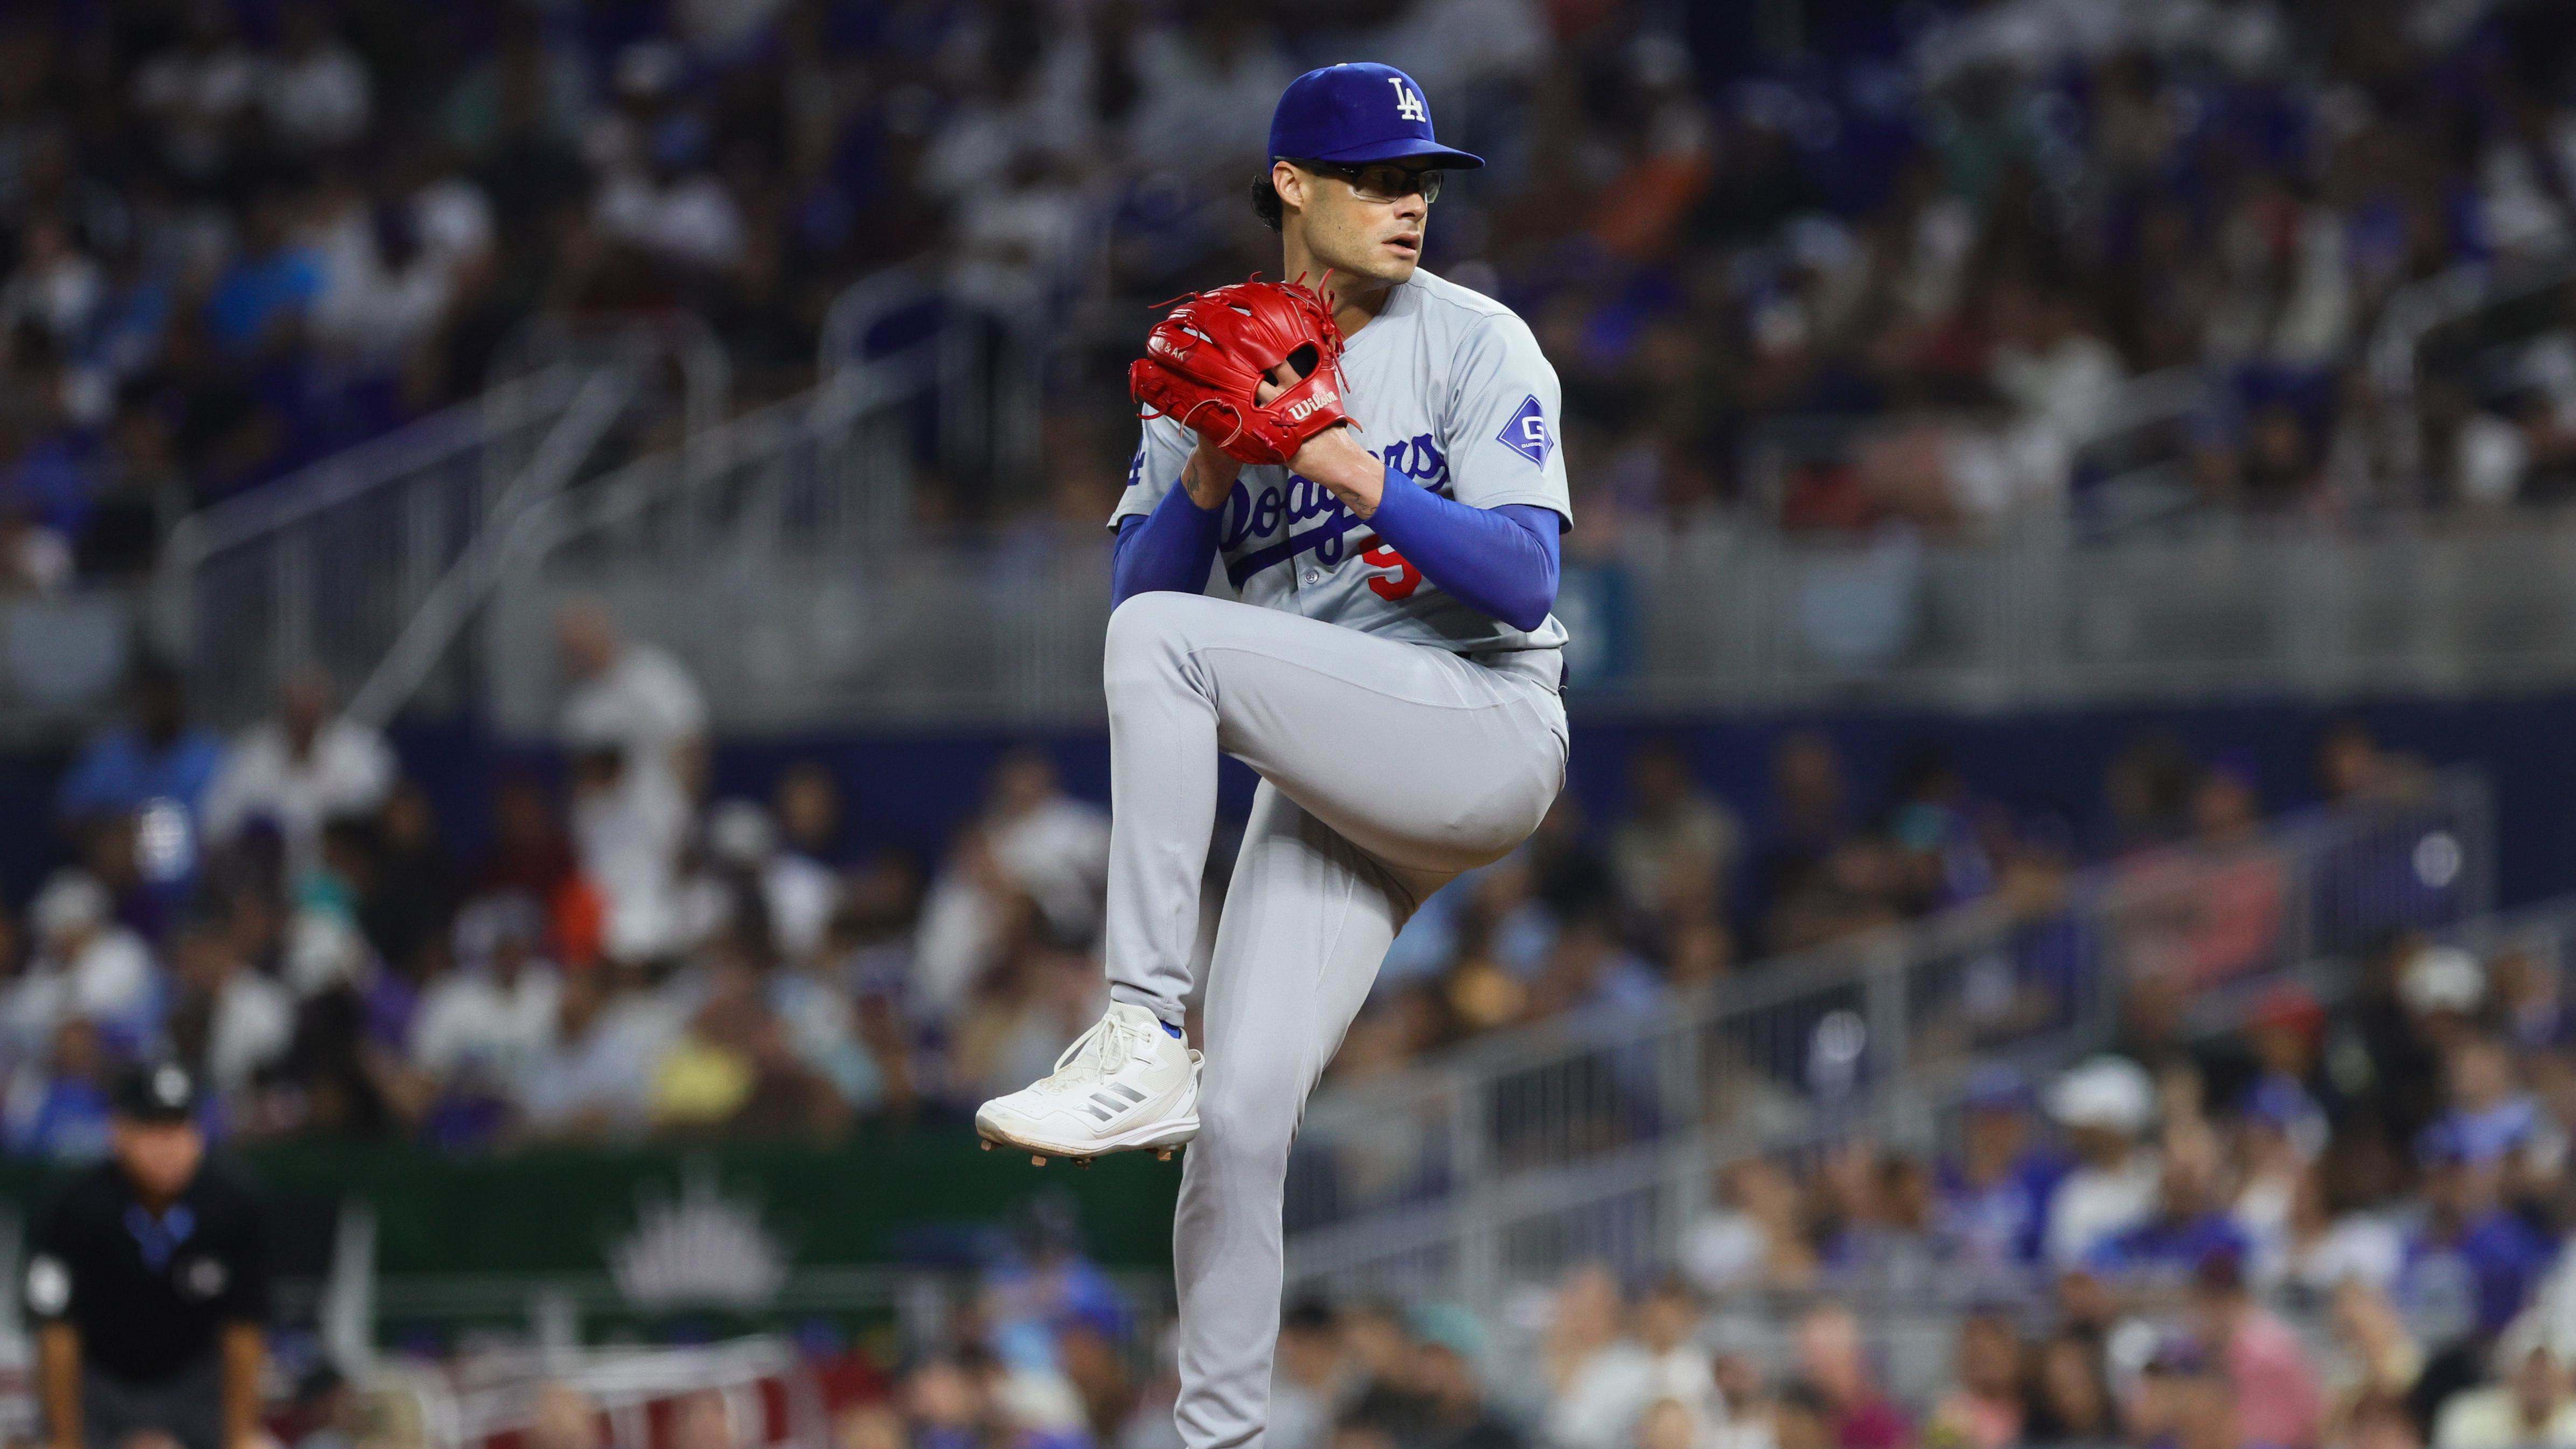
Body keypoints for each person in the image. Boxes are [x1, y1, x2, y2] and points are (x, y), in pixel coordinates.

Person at [974, 61, 1571, 1449]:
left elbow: (1525, 577)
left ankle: (1135, 1016)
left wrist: (1350, 464)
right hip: (1333, 781)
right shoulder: (1212, 356)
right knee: (1238, 1118)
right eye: (1377, 178)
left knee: (1175, 651)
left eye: (1423, 180)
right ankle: (1220, 1437)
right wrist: (1207, 460)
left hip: (1478, 721)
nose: (1409, 204)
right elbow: (1140, 600)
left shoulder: (1478, 341)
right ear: (1292, 187)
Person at [24, 1060, 270, 1449]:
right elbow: (57, 1334)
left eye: (179, 1129)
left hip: (194, 1384)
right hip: (99, 1385)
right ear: (118, 1131)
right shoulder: (72, 1206)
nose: (169, 1147)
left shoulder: (233, 1202)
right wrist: (65, 1438)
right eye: (152, 1129)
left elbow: (244, 1330)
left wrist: (239, 1434)